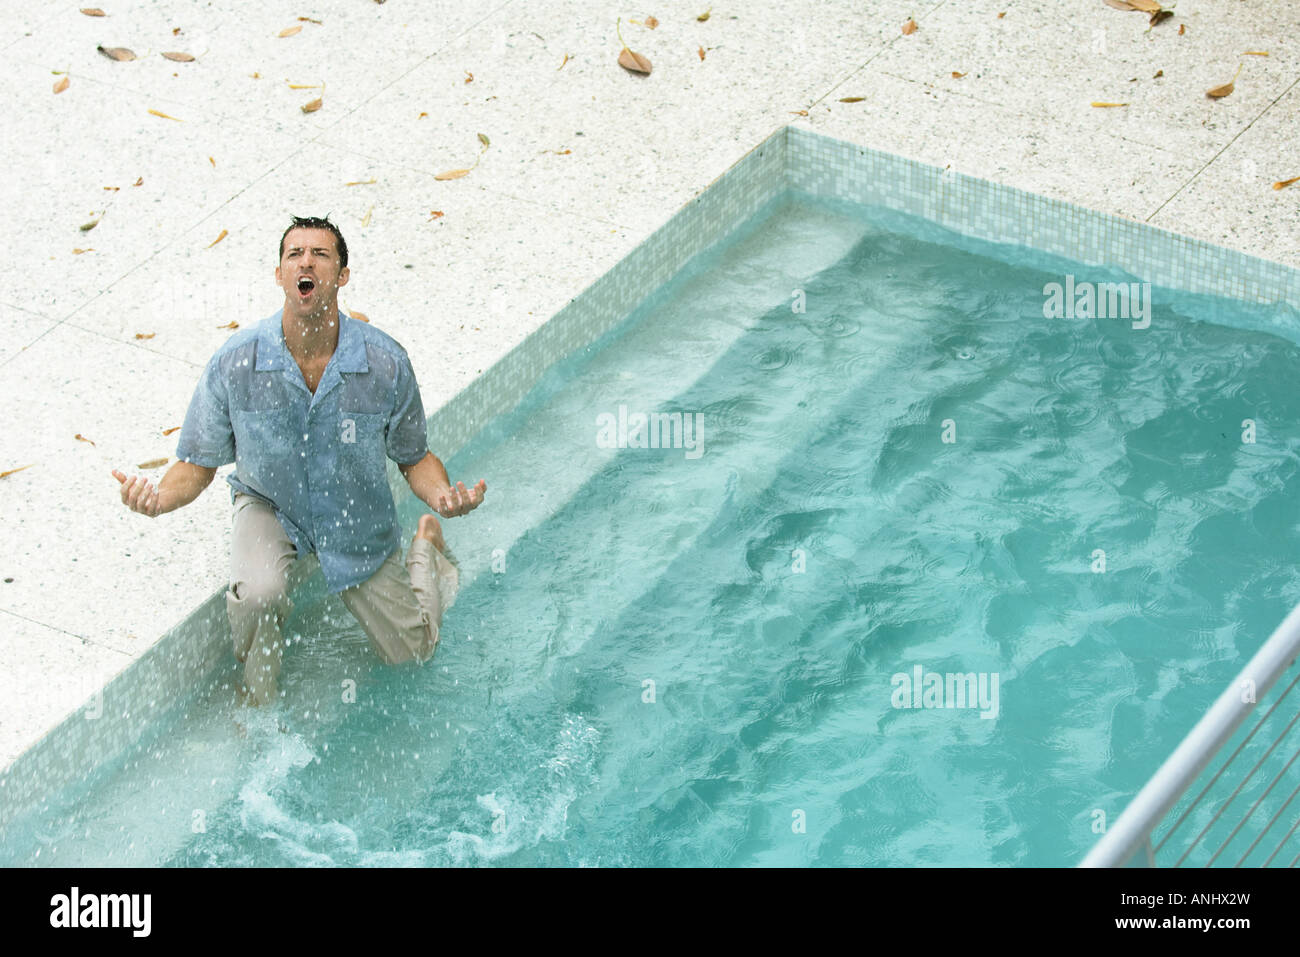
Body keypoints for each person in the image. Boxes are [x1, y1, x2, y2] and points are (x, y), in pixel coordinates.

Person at [112, 215, 486, 705]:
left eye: (321, 254)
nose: (306, 261)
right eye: (295, 255)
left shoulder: (385, 362)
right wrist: (160, 497)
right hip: (271, 505)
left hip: (354, 513)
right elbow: (197, 464)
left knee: (413, 654)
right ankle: (258, 697)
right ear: (280, 275)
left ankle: (426, 549)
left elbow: (415, 457)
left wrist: (442, 496)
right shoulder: (236, 361)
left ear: (342, 275)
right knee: (260, 593)